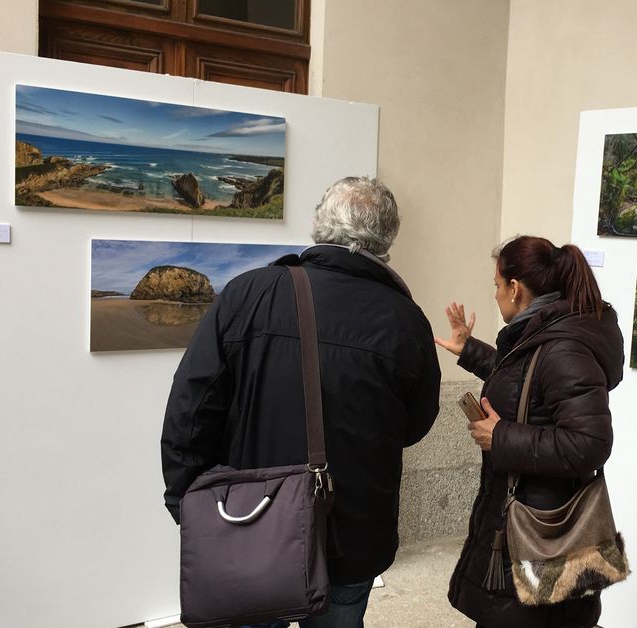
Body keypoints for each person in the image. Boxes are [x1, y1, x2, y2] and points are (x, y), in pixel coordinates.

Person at [161, 176, 442, 628]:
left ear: (319, 224)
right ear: (387, 237)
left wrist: (187, 500)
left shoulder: (248, 294)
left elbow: (190, 409)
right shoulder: (405, 320)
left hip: (248, 521)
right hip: (355, 528)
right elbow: (417, 424)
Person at [435, 235, 625, 628]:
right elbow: (526, 383)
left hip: (542, 537)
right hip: (529, 525)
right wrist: (470, 349)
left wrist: (501, 437)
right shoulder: (545, 333)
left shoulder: (564, 347)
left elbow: (591, 443)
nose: (496, 295)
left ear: (515, 288)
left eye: (496, 285)